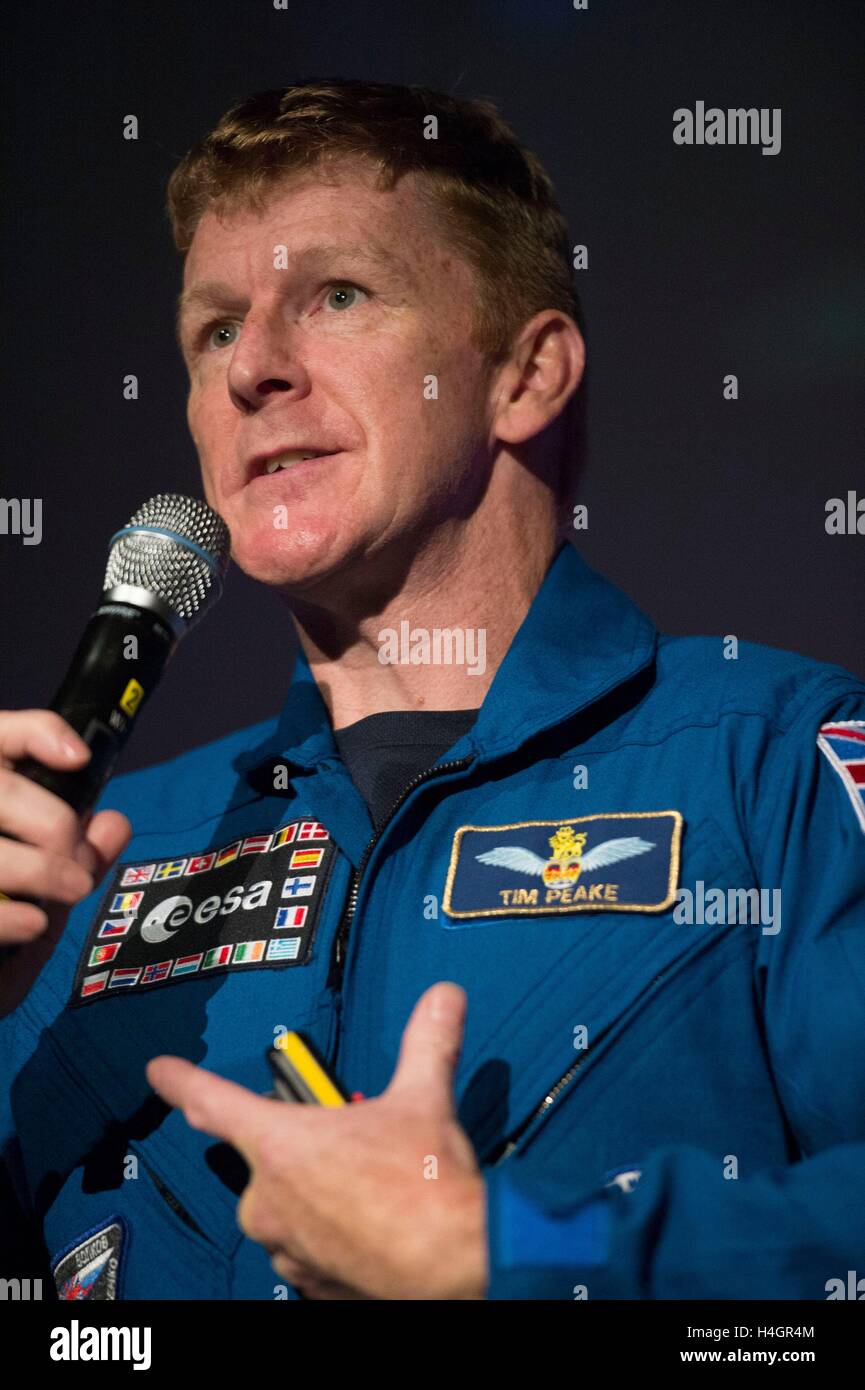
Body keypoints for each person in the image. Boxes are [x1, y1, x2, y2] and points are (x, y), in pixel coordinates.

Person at [1, 79, 863, 1302]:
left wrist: (505, 1254)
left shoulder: (769, 765)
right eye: (213, 331)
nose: (252, 368)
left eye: (336, 296)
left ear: (524, 375)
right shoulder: (91, 868)